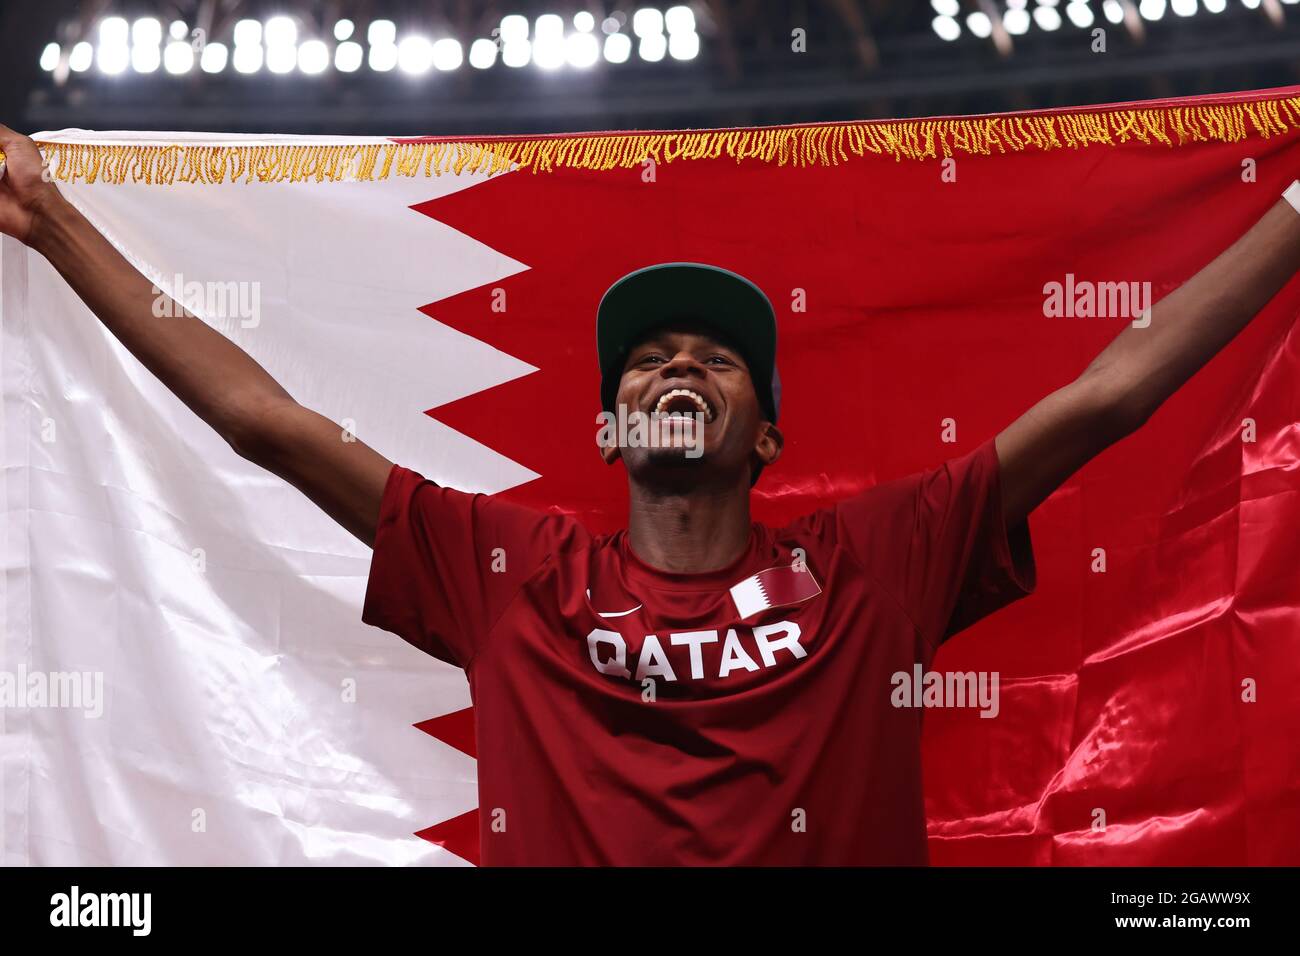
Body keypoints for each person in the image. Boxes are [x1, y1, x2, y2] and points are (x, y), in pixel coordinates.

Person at [2, 124, 1298, 865]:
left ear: (768, 432)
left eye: (714, 355)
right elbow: (262, 422)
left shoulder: (878, 555)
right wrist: (50, 218)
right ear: (611, 428)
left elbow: (1111, 393)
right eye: (648, 359)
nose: (678, 362)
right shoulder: (506, 566)